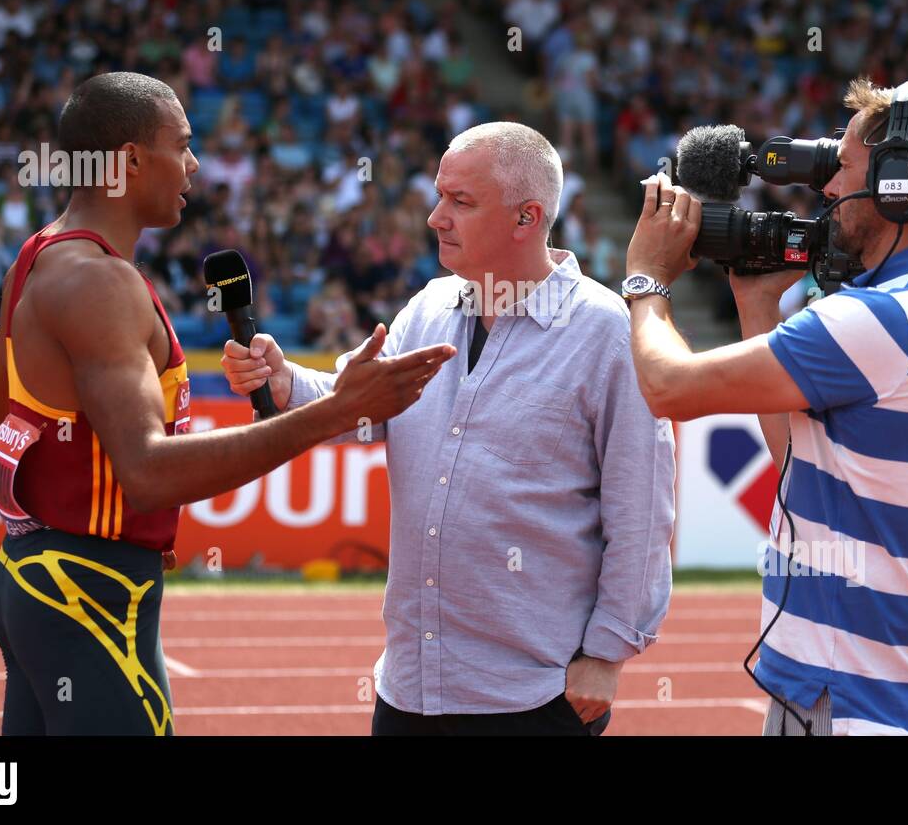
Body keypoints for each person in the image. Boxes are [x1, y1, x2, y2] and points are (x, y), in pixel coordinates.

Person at [0, 72, 454, 736]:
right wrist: (335, 410)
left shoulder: (40, 254)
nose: (194, 165)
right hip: (91, 590)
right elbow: (150, 473)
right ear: (130, 160)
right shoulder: (102, 284)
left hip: (33, 578)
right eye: (182, 146)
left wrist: (74, 503)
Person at [222, 121, 675, 735]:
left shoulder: (606, 331)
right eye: (440, 196)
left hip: (534, 694)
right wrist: (286, 384)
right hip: (410, 684)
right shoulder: (430, 305)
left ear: (527, 217)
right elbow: (361, 407)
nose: (436, 216)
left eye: (460, 201)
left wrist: (606, 654)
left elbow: (642, 509)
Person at [625, 69, 908, 735]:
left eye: (845, 166)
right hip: (874, 687)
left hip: (852, 700)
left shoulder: (882, 319)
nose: (826, 186)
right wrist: (757, 305)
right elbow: (803, 460)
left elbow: (667, 387)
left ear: (901, 182)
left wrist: (647, 278)